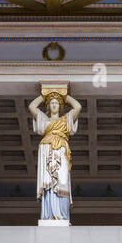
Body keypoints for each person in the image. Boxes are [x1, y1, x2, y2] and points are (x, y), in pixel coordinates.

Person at [28, 89, 81, 221]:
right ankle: (48, 215)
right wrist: (45, 94)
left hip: (61, 149)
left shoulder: (65, 120)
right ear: (48, 105)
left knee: (62, 181)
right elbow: (32, 106)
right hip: (46, 148)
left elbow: (77, 106)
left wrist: (63, 94)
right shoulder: (44, 119)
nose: (54, 105)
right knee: (48, 182)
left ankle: (62, 216)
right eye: (51, 102)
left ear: (61, 106)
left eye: (57, 103)